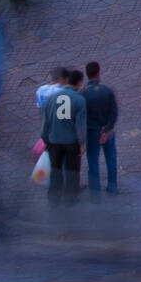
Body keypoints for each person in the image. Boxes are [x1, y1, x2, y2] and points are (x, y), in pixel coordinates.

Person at [41, 68, 87, 206]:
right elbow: (80, 125)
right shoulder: (79, 100)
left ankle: (53, 199)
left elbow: (46, 121)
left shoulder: (52, 98)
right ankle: (70, 199)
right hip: (71, 142)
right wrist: (82, 143)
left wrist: (45, 139)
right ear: (79, 83)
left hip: (53, 141)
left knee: (55, 170)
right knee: (72, 171)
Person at [80, 62, 119, 195]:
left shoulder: (83, 94)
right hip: (107, 131)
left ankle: (95, 193)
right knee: (111, 158)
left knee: (93, 161)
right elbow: (114, 113)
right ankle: (112, 187)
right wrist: (107, 129)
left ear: (87, 74)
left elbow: (82, 117)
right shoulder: (107, 91)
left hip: (92, 132)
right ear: (98, 73)